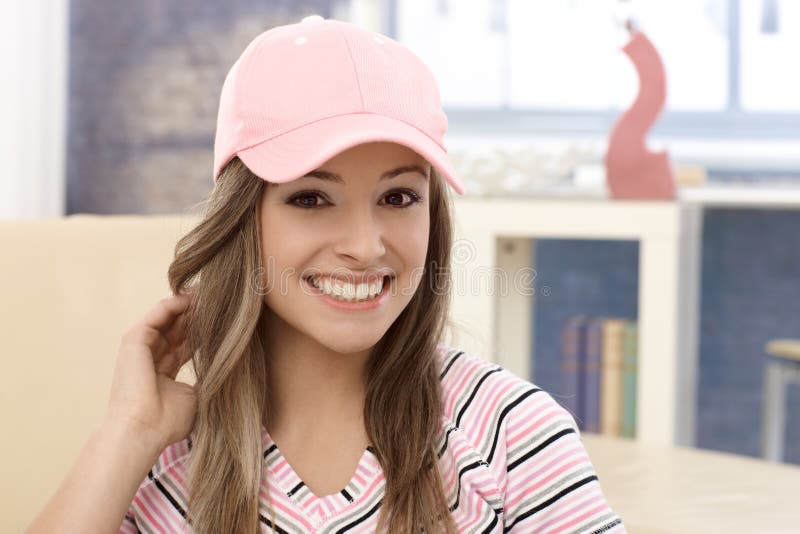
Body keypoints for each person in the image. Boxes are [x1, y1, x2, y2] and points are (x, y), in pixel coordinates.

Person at [25, 15, 626, 534]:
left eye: (398, 198)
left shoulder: (510, 433)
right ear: (244, 220)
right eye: (311, 199)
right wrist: (128, 432)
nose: (365, 248)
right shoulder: (162, 456)